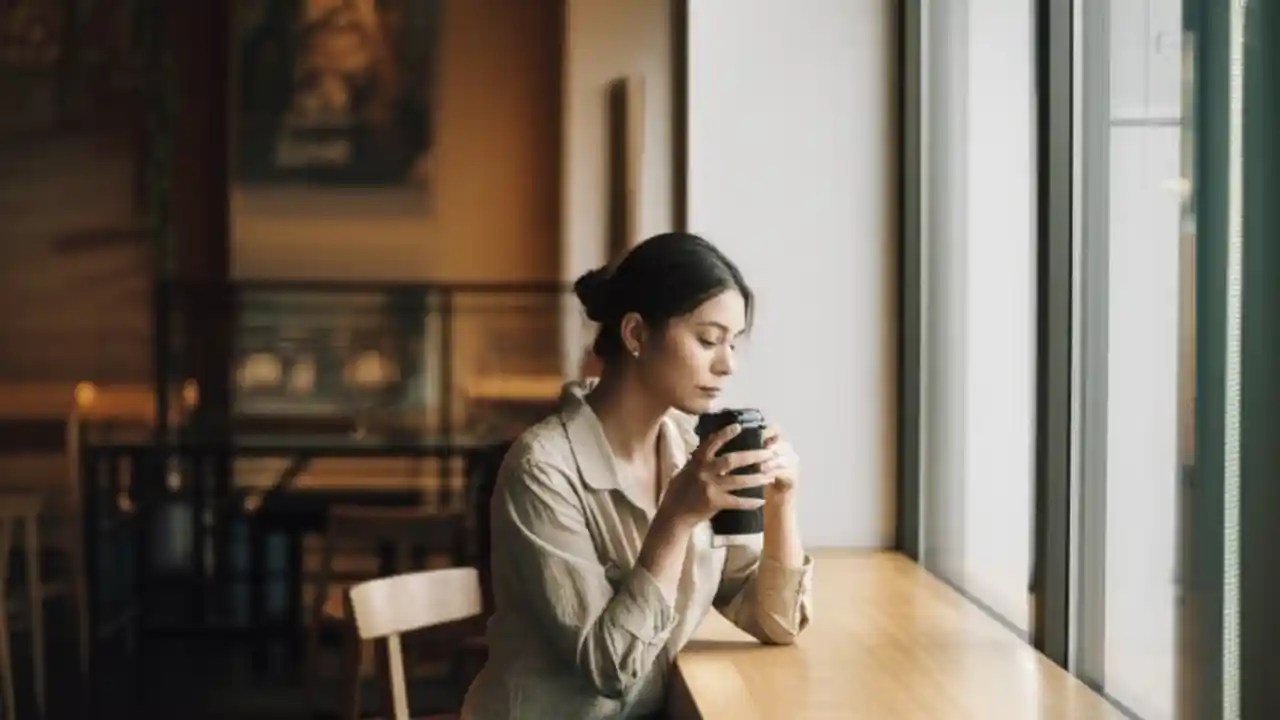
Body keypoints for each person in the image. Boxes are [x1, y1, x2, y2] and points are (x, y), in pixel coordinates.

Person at [460, 232, 813, 719]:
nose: (727, 363)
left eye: (733, 343)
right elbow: (609, 669)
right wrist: (676, 518)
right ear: (636, 335)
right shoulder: (541, 469)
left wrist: (782, 502)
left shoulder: (689, 450)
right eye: (708, 339)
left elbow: (775, 621)